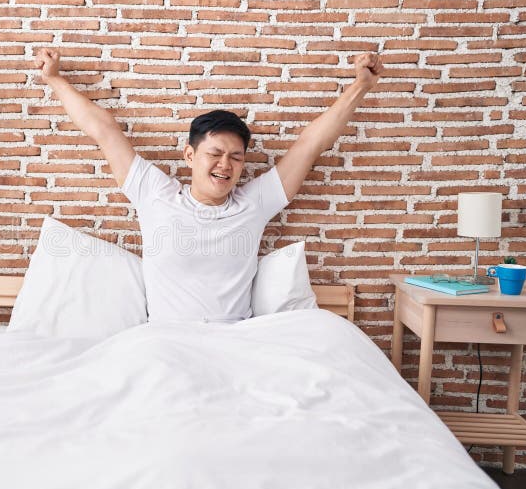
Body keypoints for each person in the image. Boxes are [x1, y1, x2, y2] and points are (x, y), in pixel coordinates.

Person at [34, 48, 383, 324]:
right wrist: (55, 80)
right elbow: (105, 131)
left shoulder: (254, 203)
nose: (225, 165)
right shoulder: (155, 193)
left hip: (233, 343)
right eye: (215, 154)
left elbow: (310, 145)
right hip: (166, 343)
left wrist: (360, 87)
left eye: (236, 157)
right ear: (190, 155)